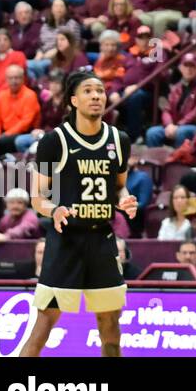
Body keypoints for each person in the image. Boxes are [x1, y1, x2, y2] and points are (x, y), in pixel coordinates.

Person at [21, 71, 139, 357]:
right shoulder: (54, 141)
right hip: (66, 240)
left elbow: (120, 188)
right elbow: (36, 197)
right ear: (73, 100)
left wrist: (125, 201)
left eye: (99, 90)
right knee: (44, 324)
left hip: (102, 239)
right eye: (88, 91)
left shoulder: (118, 139)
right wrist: (54, 209)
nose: (96, 96)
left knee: (110, 326)